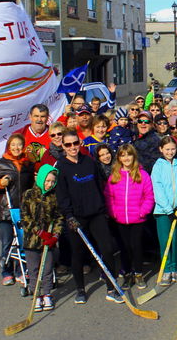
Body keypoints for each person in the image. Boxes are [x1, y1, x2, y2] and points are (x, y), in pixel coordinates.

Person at [55, 129, 120, 304]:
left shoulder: (89, 162)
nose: (72, 147)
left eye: (75, 143)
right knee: (78, 254)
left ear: (80, 143)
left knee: (106, 249)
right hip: (77, 218)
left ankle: (111, 286)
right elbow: (61, 195)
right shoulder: (60, 167)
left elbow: (100, 185)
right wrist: (68, 216)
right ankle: (80, 289)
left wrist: (104, 208)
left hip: (96, 213)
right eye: (68, 144)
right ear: (63, 146)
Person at [104, 144, 155, 290]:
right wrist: (113, 212)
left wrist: (143, 211)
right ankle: (127, 274)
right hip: (120, 218)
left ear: (134, 156)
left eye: (129, 155)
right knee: (124, 248)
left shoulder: (142, 174)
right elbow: (109, 196)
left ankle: (138, 273)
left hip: (137, 218)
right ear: (119, 158)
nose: (126, 158)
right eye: (123, 155)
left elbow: (149, 196)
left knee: (136, 247)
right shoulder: (115, 175)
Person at [0, 133, 35, 285]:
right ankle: (6, 271)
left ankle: (21, 271)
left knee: (23, 241)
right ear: (9, 146)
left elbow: (30, 186)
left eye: (19, 145)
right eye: (13, 145)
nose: (16, 148)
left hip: (23, 209)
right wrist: (1, 183)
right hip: (6, 210)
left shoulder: (28, 164)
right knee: (8, 241)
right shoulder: (0, 163)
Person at [20, 164, 63, 311]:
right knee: (33, 269)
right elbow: (25, 217)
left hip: (48, 241)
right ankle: (36, 295)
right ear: (41, 178)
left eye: (52, 181)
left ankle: (46, 294)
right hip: (32, 241)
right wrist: (39, 232)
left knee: (47, 269)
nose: (49, 184)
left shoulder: (54, 197)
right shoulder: (29, 194)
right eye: (47, 180)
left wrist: (55, 235)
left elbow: (58, 217)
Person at [151, 137, 177, 285]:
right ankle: (167, 269)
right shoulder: (158, 166)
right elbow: (158, 189)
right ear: (161, 149)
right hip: (164, 211)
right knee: (165, 241)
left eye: (172, 149)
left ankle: (176, 268)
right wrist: (168, 210)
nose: (170, 152)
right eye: (167, 149)